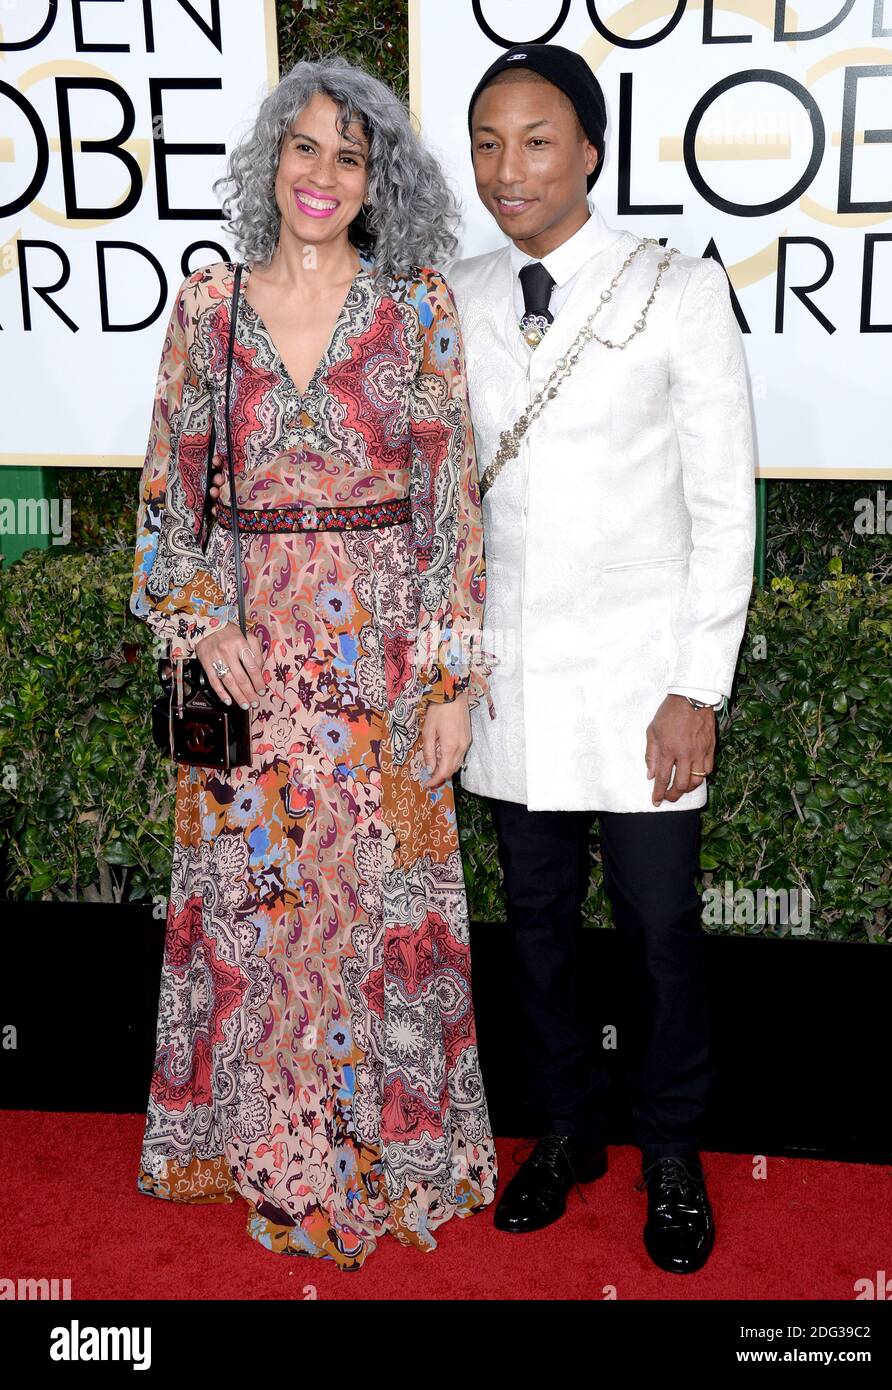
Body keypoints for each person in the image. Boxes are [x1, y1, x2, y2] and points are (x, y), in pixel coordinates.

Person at [129, 55, 498, 1271]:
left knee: (377, 911)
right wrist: (199, 620)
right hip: (247, 670)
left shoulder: (419, 306)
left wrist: (451, 683)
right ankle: (276, 1153)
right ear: (269, 161)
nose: (323, 174)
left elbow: (451, 511)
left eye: (351, 154)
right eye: (305, 147)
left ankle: (385, 1155)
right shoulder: (207, 308)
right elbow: (166, 506)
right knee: (262, 914)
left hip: (380, 671)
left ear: (378, 178)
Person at [449, 44, 756, 1273]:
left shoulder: (673, 289)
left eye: (535, 140)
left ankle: (670, 1149)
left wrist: (700, 684)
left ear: (588, 151)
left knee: (659, 927)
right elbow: (441, 505)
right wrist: (448, 671)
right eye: (487, 142)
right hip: (509, 680)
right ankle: (567, 1129)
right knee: (532, 926)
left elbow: (724, 503)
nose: (507, 168)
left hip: (644, 683)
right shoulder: (451, 293)